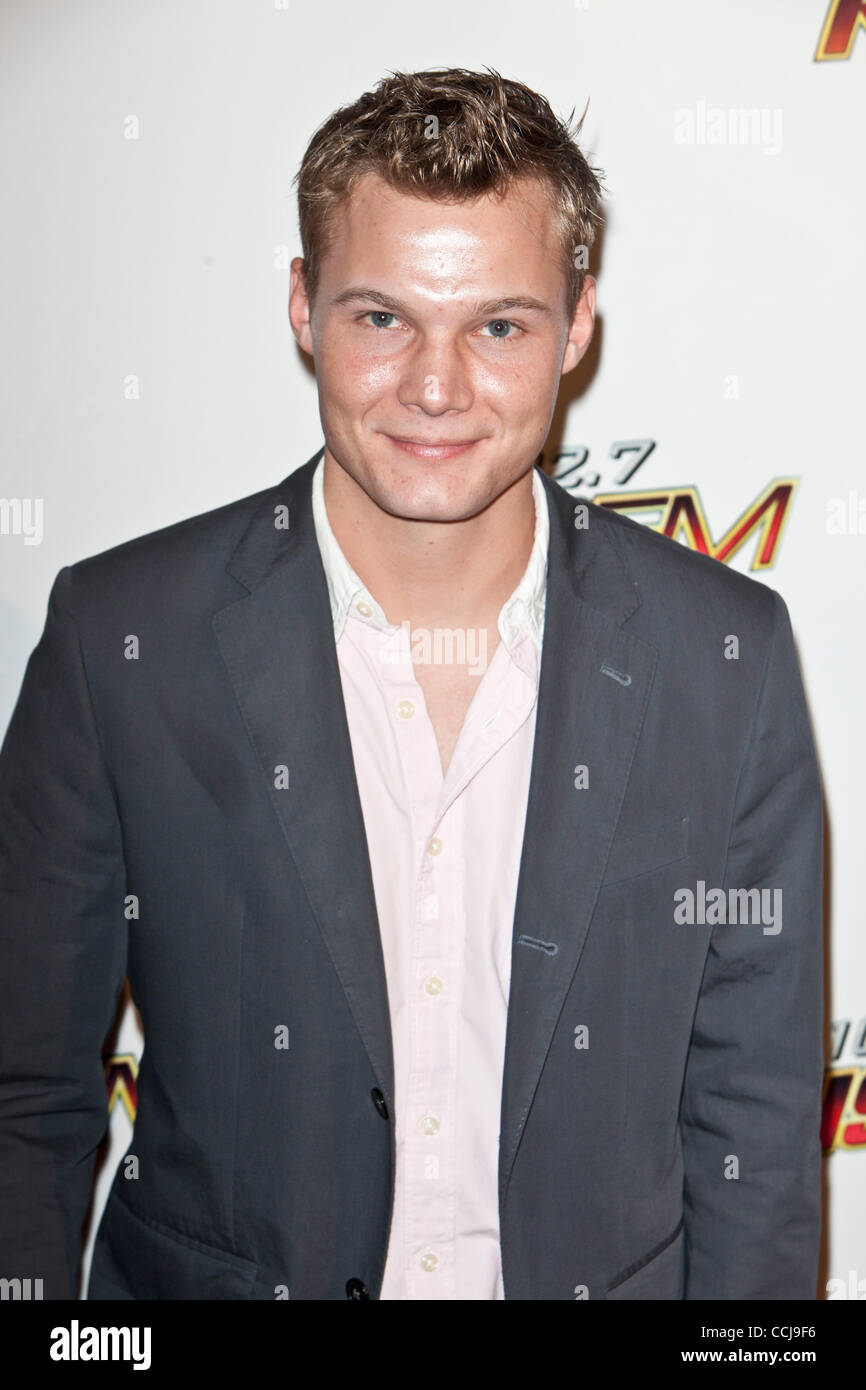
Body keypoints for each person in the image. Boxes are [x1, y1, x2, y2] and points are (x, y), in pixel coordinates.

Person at [0, 67, 823, 1301]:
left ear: (577, 325)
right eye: (381, 318)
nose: (434, 388)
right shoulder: (122, 638)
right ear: (301, 306)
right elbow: (26, 1096)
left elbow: (753, 1129)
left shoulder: (723, 656)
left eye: (497, 325)